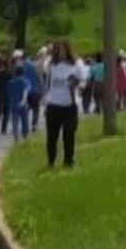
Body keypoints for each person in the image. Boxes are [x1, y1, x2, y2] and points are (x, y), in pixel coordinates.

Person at [44, 40, 83, 168]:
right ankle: (51, 161)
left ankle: (68, 161)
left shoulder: (76, 64)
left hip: (69, 105)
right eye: (57, 49)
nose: (60, 52)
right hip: (53, 104)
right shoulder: (51, 64)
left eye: (62, 49)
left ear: (67, 50)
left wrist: (76, 83)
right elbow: (42, 74)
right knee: (52, 137)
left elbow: (82, 82)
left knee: (69, 134)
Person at [8, 66, 30, 141]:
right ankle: (25, 135)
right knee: (24, 120)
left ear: (15, 73)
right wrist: (23, 101)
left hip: (14, 103)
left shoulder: (11, 82)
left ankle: (15, 135)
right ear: (23, 72)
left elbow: (9, 93)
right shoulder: (24, 81)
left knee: (15, 120)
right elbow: (25, 92)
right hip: (23, 103)